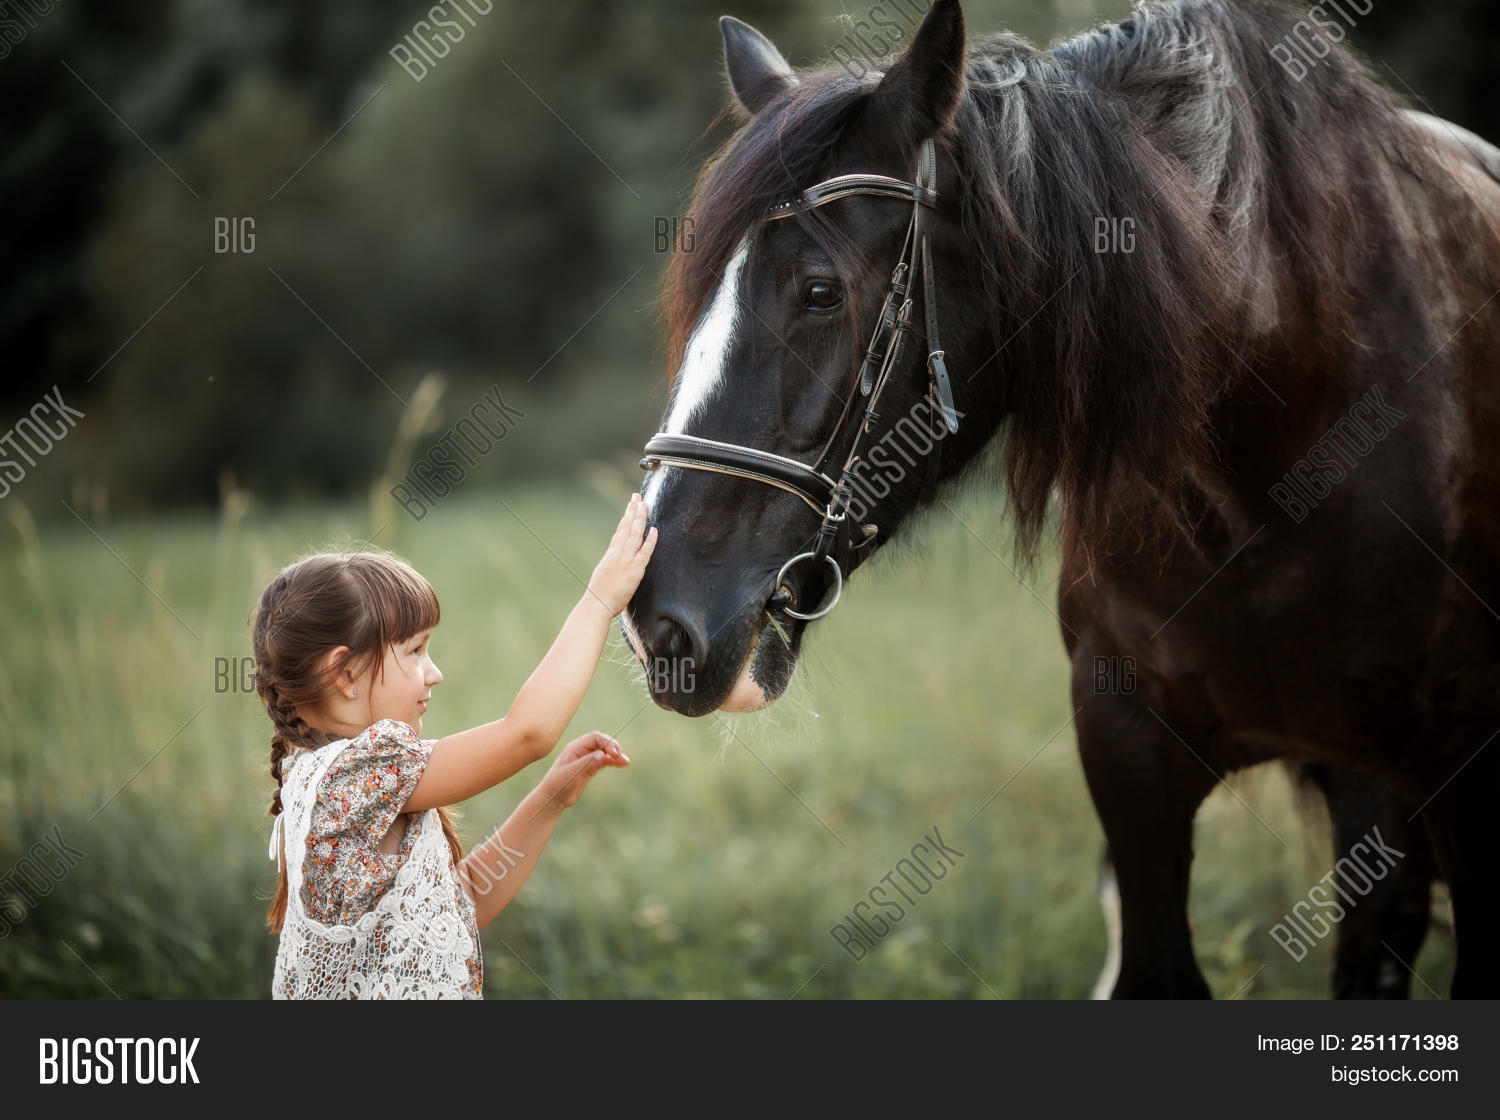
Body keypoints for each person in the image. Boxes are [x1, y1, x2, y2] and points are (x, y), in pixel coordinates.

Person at [251, 493, 657, 998]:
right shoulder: (350, 776)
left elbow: (460, 903)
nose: (434, 672)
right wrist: (600, 602)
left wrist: (549, 801)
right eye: (415, 651)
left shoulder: (346, 779)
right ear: (345, 672)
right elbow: (528, 732)